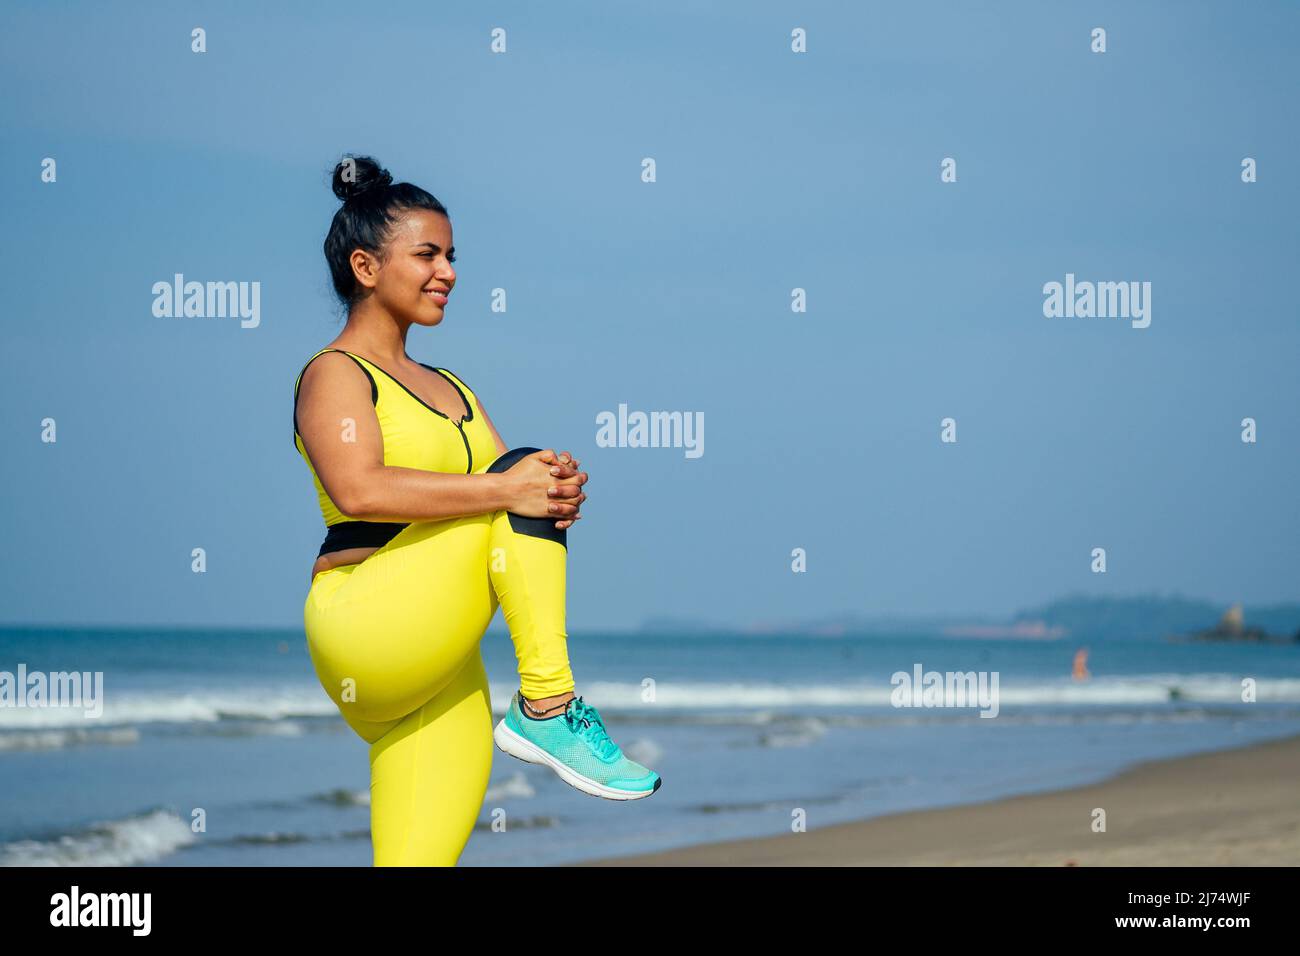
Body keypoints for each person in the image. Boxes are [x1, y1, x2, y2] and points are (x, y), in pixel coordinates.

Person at [294, 155, 660, 866]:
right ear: (366, 267)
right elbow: (358, 491)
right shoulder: (334, 373)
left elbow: (507, 503)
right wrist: (514, 488)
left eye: (452, 256)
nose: (449, 272)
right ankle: (549, 707)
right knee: (515, 471)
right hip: (364, 625)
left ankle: (544, 711)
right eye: (427, 254)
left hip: (443, 662)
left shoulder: (452, 386)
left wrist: (552, 492)